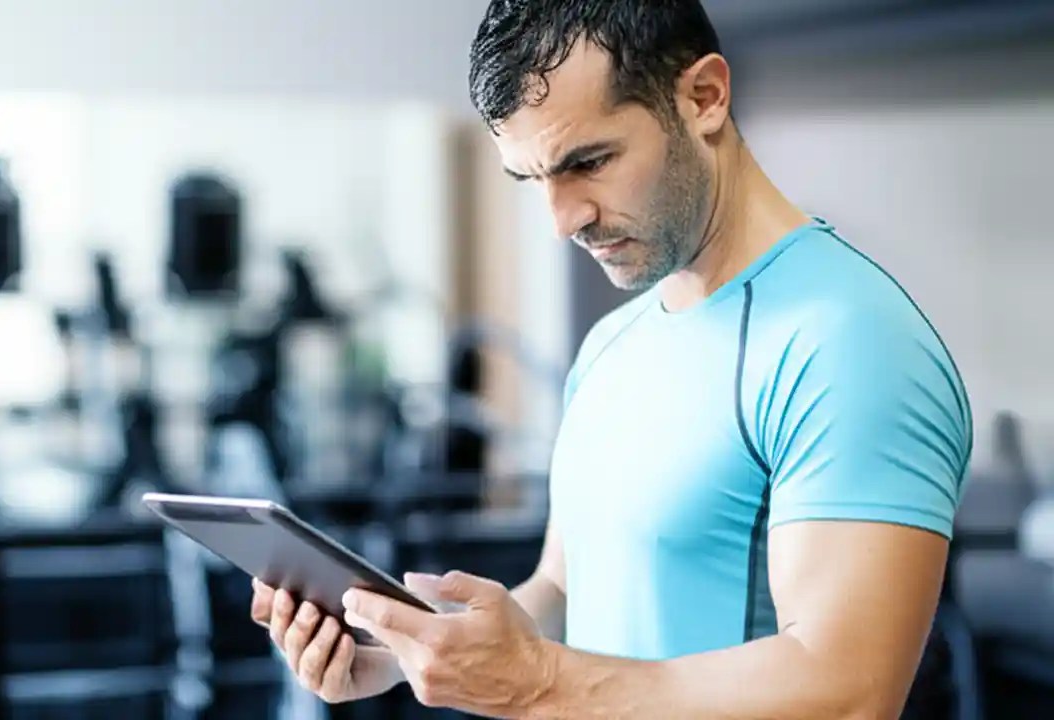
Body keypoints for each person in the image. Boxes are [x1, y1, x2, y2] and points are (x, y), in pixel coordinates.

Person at [251, 0, 973, 717]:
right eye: (534, 179)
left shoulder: (848, 341)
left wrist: (537, 683)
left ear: (704, 97)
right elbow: (564, 593)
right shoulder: (610, 346)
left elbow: (848, 691)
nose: (563, 220)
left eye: (588, 162)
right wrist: (404, 653)